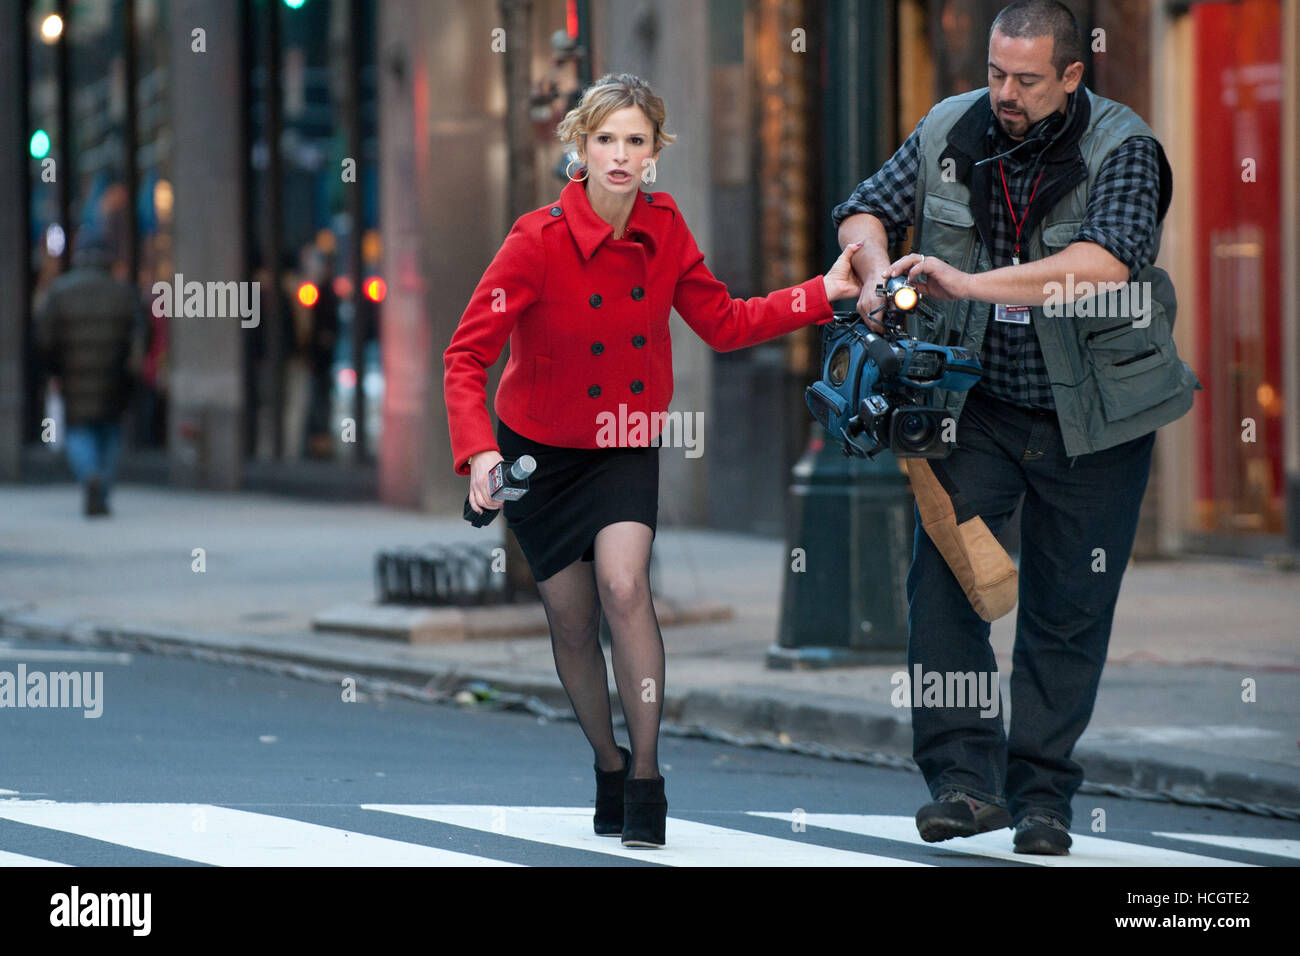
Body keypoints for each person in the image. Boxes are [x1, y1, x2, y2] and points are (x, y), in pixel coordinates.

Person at [444, 72, 864, 848]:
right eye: (606, 139)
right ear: (580, 145)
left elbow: (726, 322)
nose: (620, 155)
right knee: (572, 624)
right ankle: (606, 761)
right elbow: (466, 356)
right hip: (537, 450)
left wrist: (822, 294)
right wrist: (477, 455)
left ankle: (646, 777)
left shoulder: (664, 229)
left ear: (654, 152)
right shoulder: (534, 241)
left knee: (623, 585)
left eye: (636, 140)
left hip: (621, 442)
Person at [834, 0, 1200, 855]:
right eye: (997, 72)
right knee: (947, 591)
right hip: (979, 411)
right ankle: (963, 783)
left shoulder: (1126, 148)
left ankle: (1042, 798)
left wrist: (970, 284)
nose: (1005, 91)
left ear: (1072, 75)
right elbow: (861, 209)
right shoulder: (947, 128)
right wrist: (881, 273)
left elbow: (1107, 261)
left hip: (1096, 419)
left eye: (1027, 80)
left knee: (1068, 610)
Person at [36, 231, 147, 517]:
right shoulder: (122, 291)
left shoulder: (60, 291)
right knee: (109, 431)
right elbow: (137, 335)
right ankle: (102, 486)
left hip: (74, 377)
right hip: (113, 376)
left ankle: (90, 476)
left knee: (80, 431)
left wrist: (53, 370)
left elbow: (45, 339)